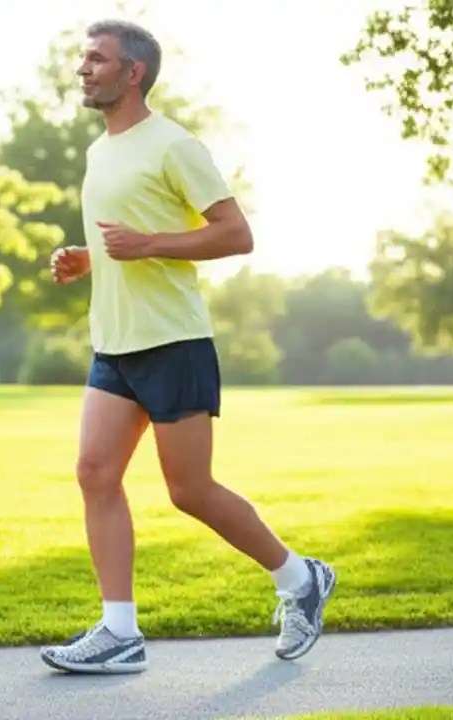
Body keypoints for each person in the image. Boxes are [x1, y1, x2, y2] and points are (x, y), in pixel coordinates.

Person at [38, 19, 336, 675]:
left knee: (190, 490)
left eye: (97, 59)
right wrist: (89, 261)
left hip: (173, 343)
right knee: (94, 474)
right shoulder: (100, 153)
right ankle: (120, 632)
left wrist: (147, 246)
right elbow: (136, 236)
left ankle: (299, 579)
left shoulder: (174, 145)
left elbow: (235, 234)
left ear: (133, 72)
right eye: (83, 57)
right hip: (114, 343)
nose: (83, 68)